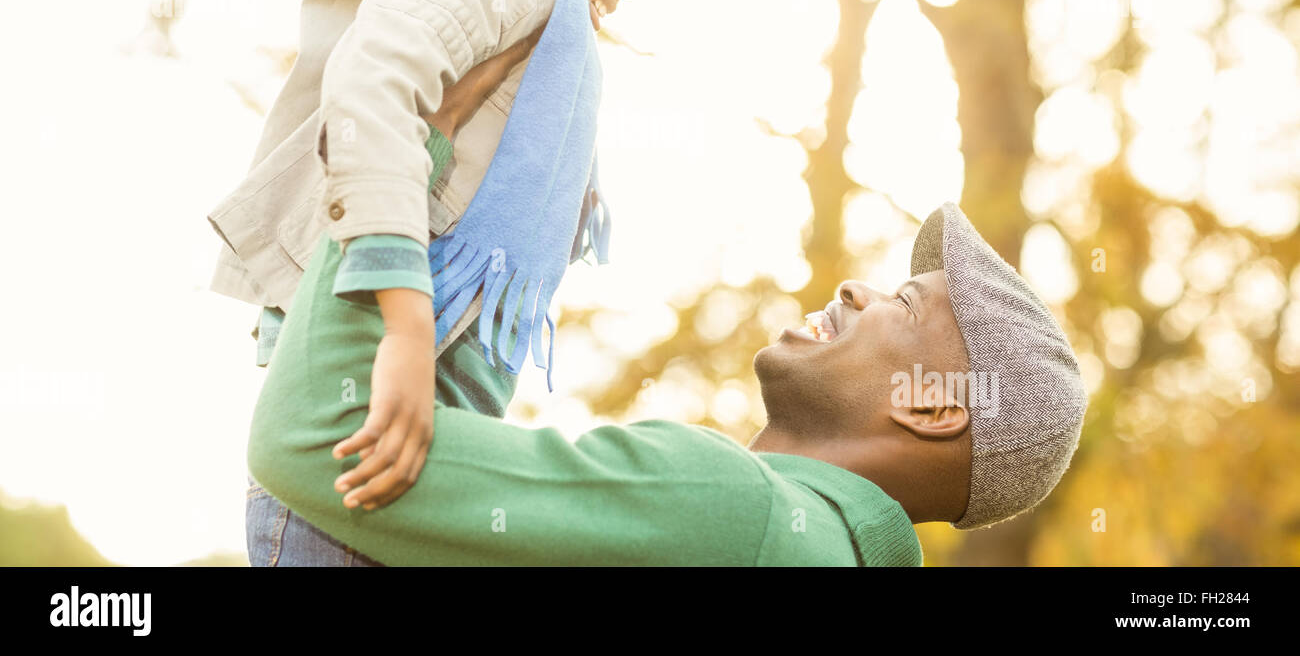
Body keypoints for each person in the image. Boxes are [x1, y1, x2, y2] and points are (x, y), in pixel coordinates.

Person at [247, 136, 1090, 565]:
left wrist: (396, 159)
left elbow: (319, 443)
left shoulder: (737, 512)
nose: (854, 290)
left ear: (934, 405)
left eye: (903, 303)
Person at [206, 0, 674, 528]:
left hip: (413, 424)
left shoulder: (548, 28)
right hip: (366, 405)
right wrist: (406, 325)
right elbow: (374, 91)